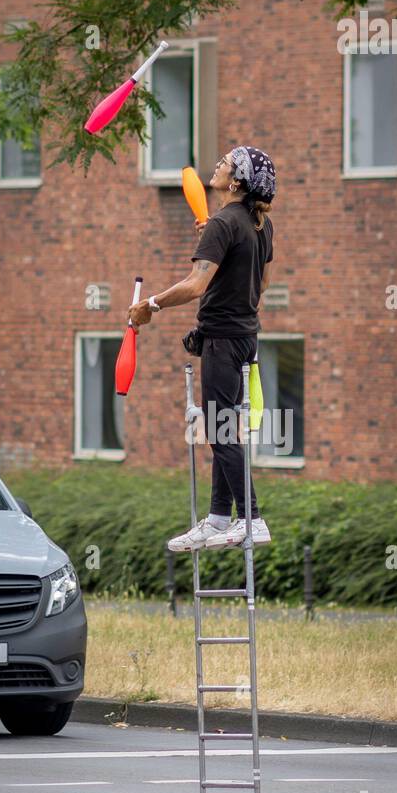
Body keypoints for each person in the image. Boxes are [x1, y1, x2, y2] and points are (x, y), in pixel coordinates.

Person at [127, 144, 276, 551]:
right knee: (222, 427)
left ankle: (252, 519)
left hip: (223, 341)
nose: (218, 165)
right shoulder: (258, 224)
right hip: (247, 339)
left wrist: (150, 304)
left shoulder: (223, 224)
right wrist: (219, 244)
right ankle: (216, 517)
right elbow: (260, 286)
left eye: (225, 163)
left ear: (238, 180)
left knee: (220, 430)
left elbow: (195, 286)